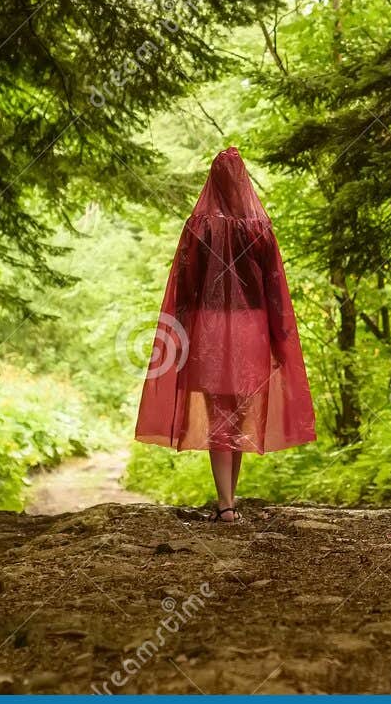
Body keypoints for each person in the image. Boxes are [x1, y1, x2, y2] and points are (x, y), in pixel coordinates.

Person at [134, 147, 316, 521]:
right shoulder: (260, 229)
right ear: (242, 182)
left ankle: (226, 504)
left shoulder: (198, 227)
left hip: (210, 331)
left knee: (220, 413)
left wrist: (178, 338)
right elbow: (275, 290)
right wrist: (281, 340)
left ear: (213, 181)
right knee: (240, 413)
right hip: (252, 330)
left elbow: (183, 288)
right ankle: (229, 501)